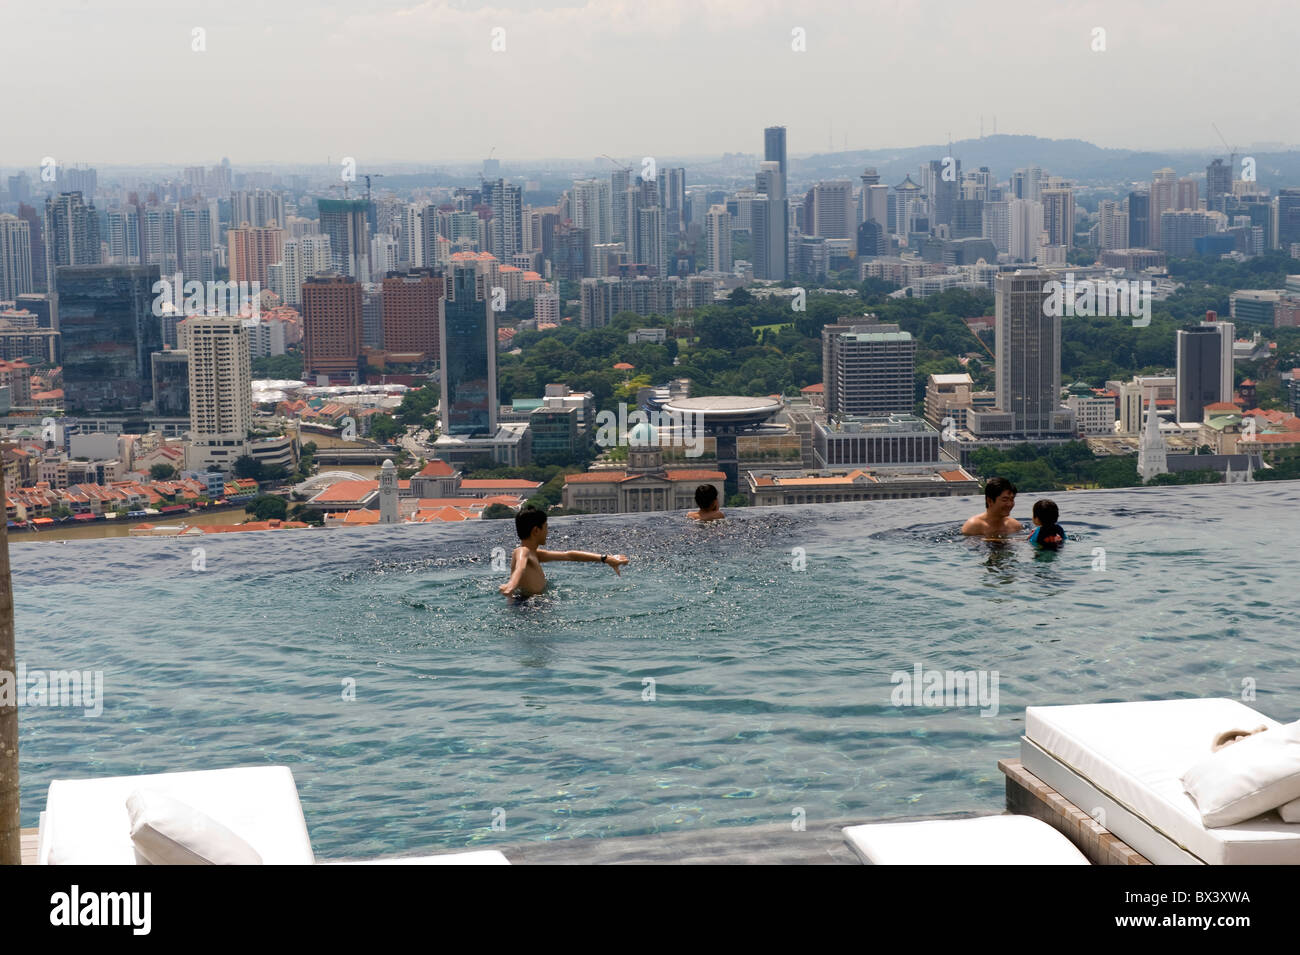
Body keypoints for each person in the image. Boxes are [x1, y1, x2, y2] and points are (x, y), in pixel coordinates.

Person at [498, 505, 629, 599]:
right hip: (524, 606)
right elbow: (520, 568)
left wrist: (605, 558)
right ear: (536, 531)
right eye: (546, 527)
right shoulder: (522, 551)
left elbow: (569, 555)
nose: (547, 531)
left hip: (534, 603)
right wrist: (511, 585)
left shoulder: (535, 554)